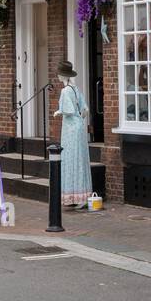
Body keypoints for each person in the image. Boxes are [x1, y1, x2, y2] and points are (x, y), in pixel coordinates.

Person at [53, 60, 92, 209]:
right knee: (79, 159)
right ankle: (82, 195)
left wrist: (58, 111)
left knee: (71, 159)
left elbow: (68, 110)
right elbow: (84, 109)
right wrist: (80, 117)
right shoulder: (75, 88)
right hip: (79, 127)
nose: (57, 76)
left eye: (58, 74)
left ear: (62, 75)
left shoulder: (65, 91)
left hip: (70, 129)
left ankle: (75, 196)